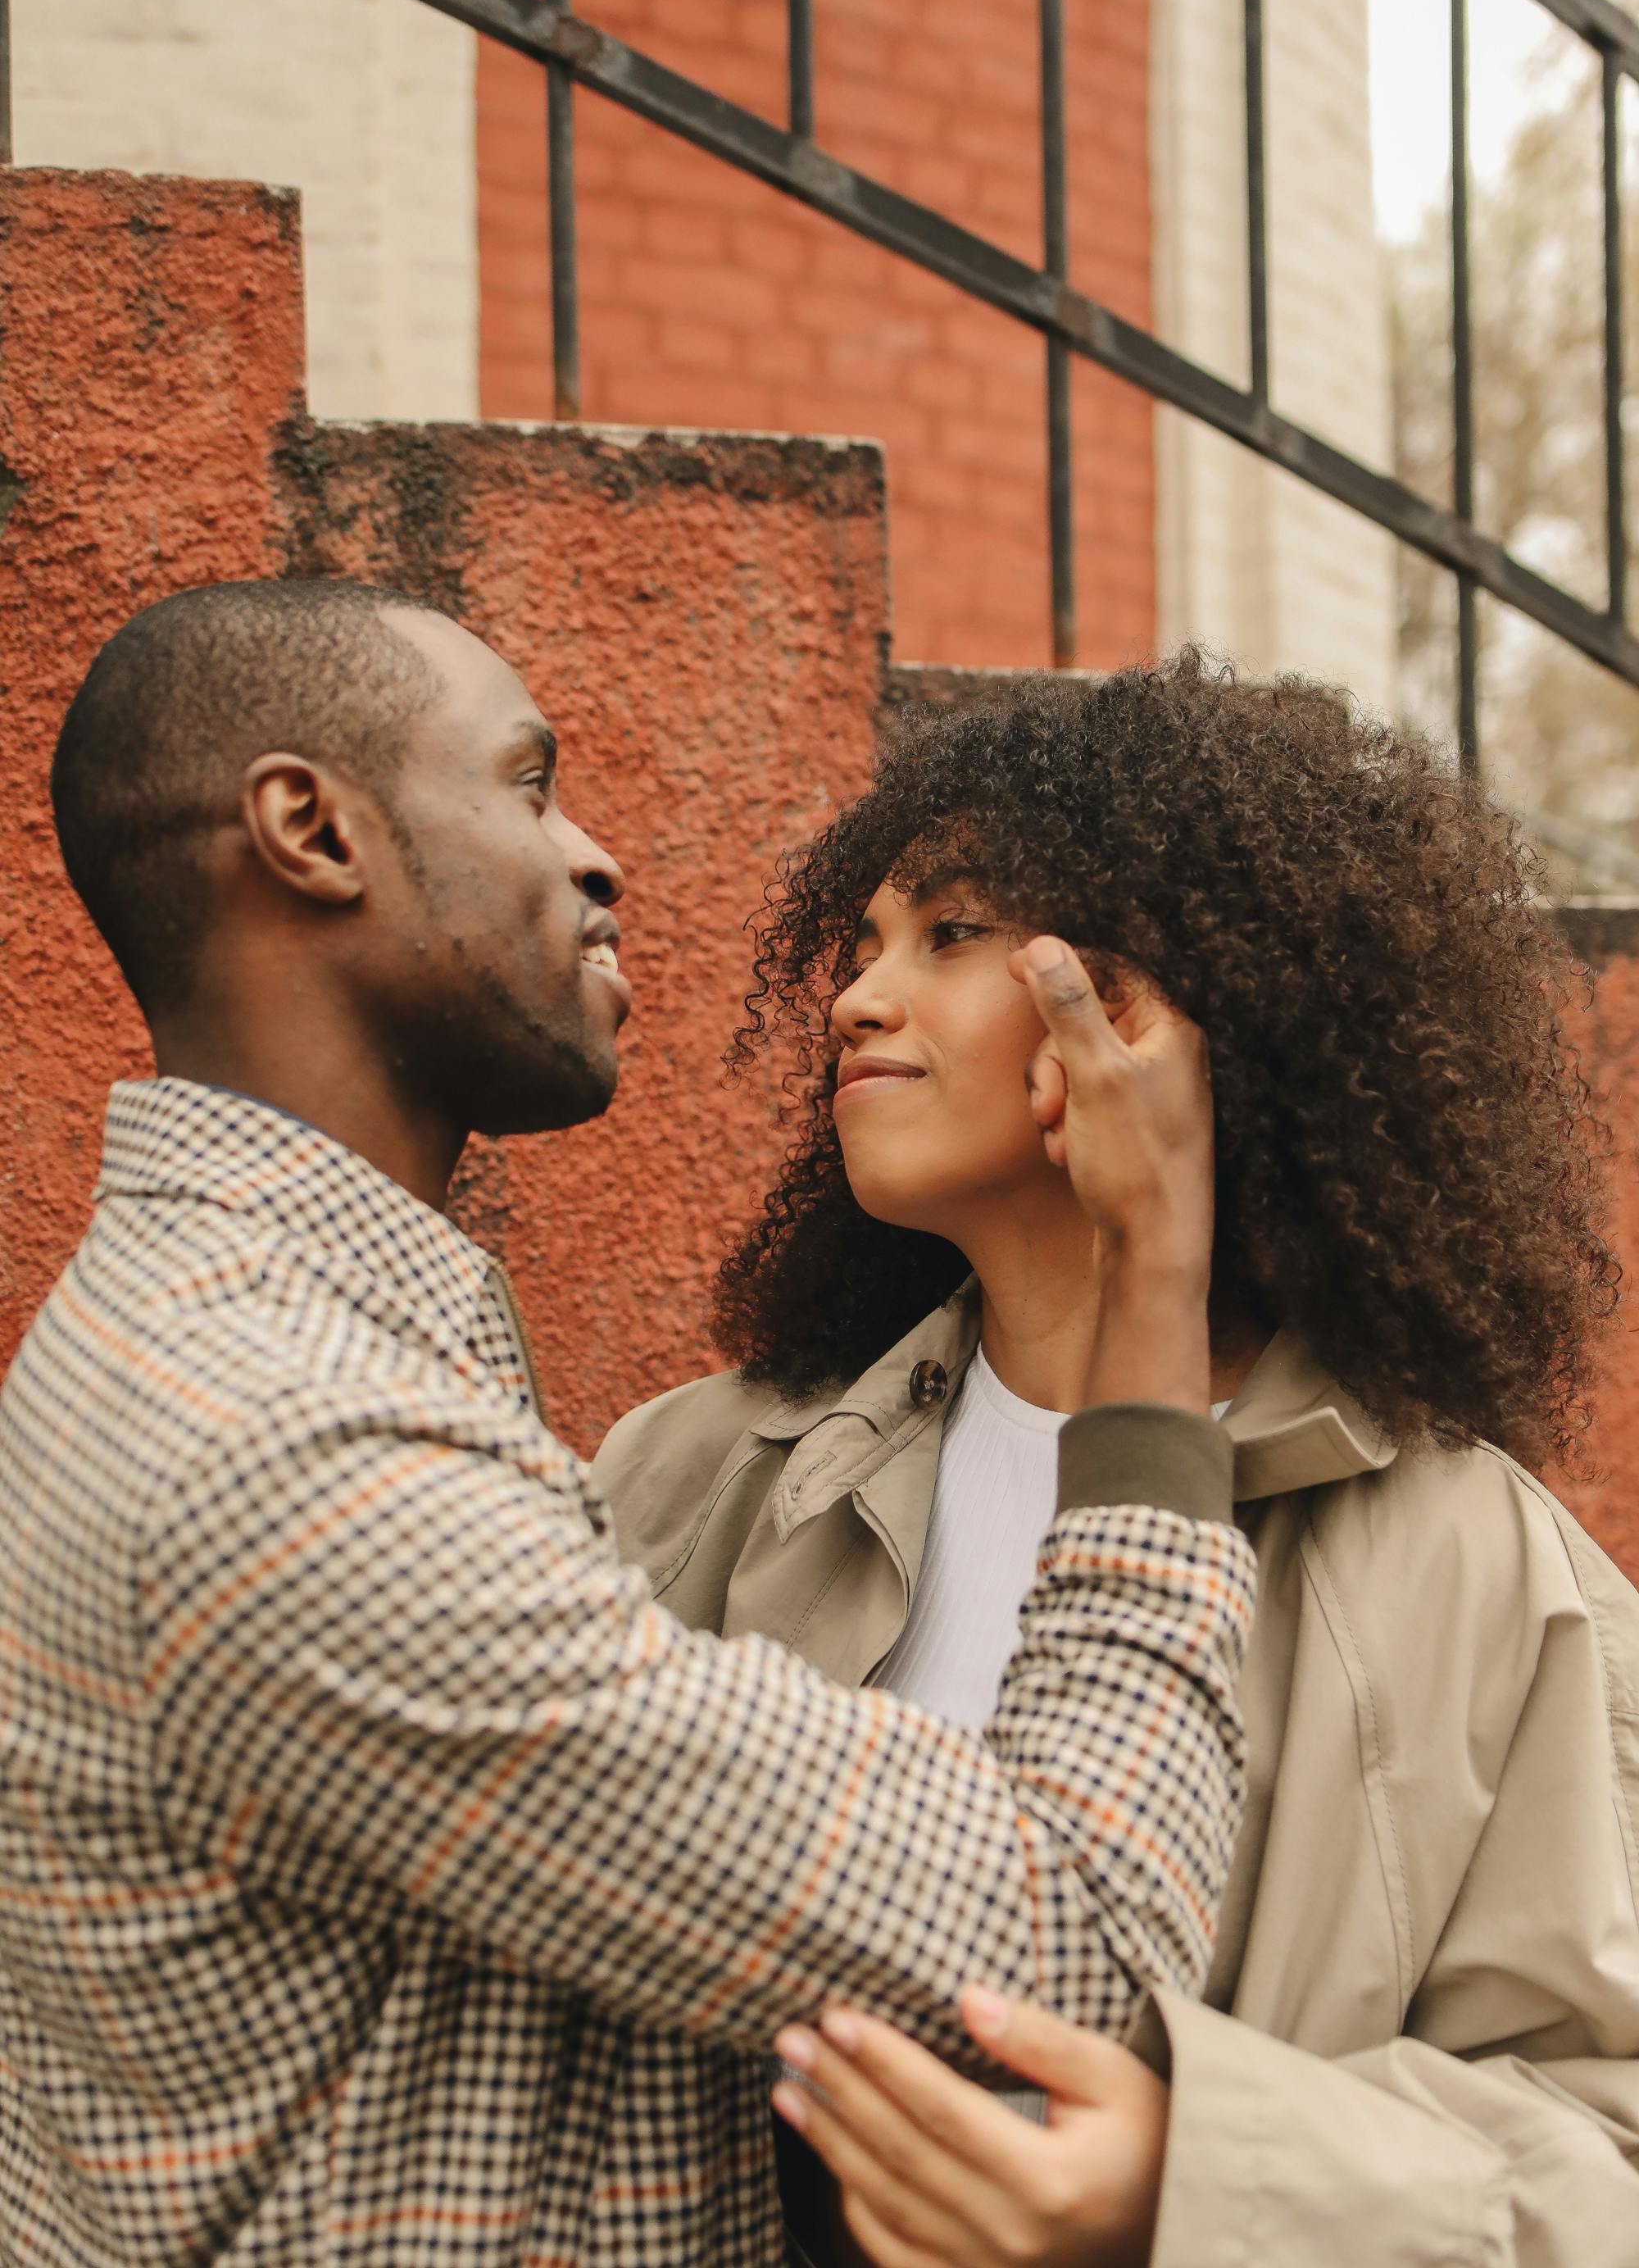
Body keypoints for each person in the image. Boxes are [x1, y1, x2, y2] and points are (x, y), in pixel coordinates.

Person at [0, 579, 1256, 2268]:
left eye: (949, 935)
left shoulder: (258, 1340)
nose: (597, 856)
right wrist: (1151, 1303)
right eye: (526, 785)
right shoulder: (291, 1454)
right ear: (310, 829)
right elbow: (1074, 1946)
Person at [594, 653, 1639, 2268]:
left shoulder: (1478, 1565)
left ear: (1155, 1002)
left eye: (948, 935)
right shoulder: (701, 1475)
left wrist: (1194, 2178)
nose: (857, 998)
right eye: (863, 944)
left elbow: (1599, 2140)